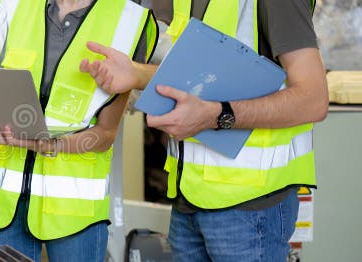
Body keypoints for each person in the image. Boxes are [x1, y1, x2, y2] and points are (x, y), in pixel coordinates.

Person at [80, 0, 328, 261]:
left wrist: (218, 115)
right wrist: (136, 73)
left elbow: (313, 99)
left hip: (250, 209)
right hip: (189, 199)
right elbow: (202, 78)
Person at [0, 0, 158, 261]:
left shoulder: (129, 21)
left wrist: (48, 145)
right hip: (1, 203)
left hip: (73, 212)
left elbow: (106, 134)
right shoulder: (11, 6)